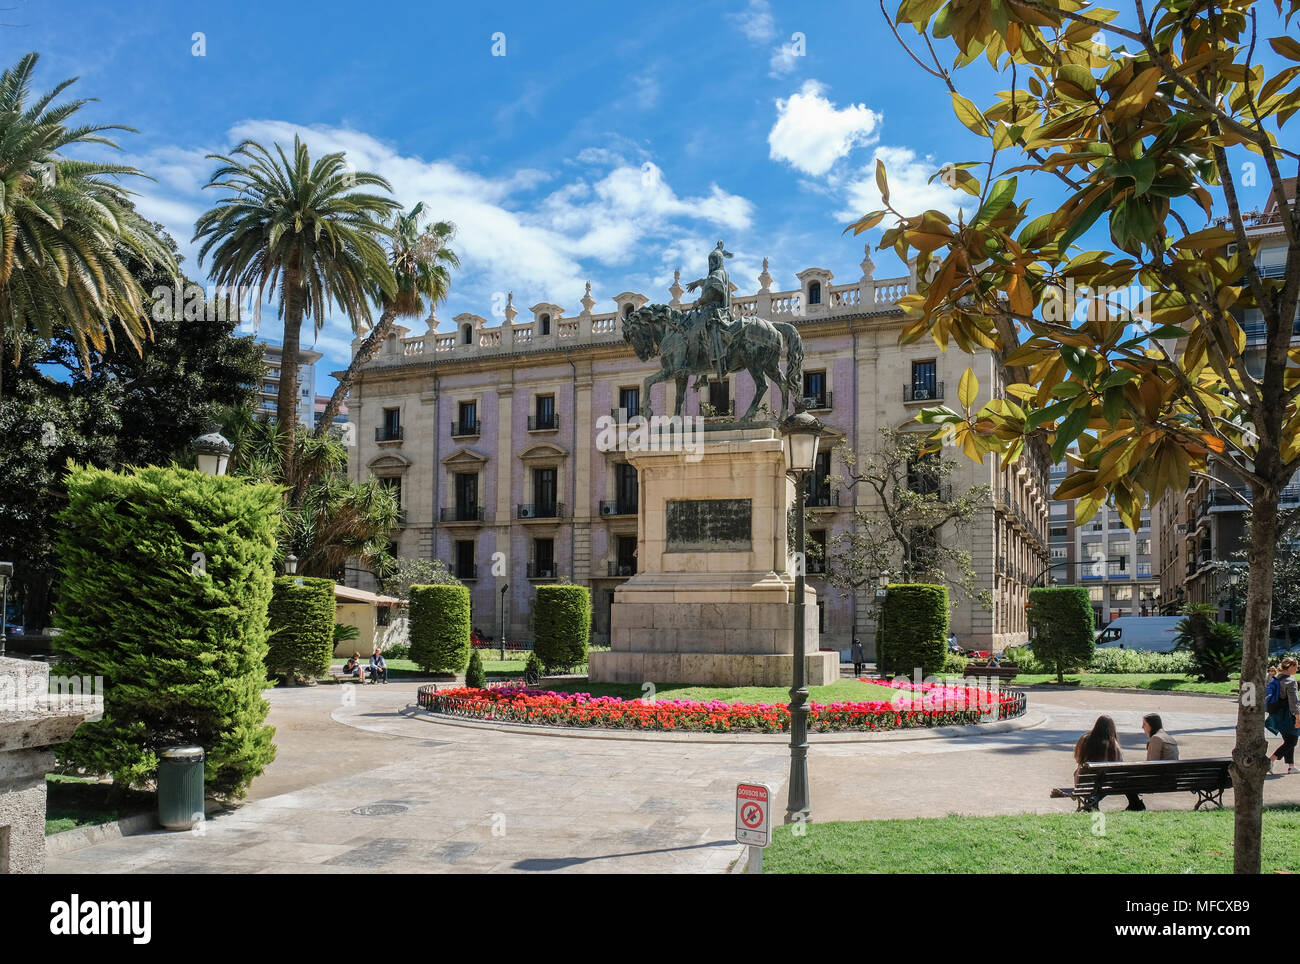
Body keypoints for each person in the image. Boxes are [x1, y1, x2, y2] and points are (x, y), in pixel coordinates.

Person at [1124, 713, 1179, 811]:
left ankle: (1136, 805)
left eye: (1144, 724)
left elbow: (1151, 765)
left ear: (1152, 725)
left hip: (1160, 780)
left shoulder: (1156, 738)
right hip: (1170, 778)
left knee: (1125, 778)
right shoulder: (1169, 738)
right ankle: (1135, 804)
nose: (1142, 727)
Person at [1267, 657, 1299, 773]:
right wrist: (1298, 717)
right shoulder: (1291, 681)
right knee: (1292, 741)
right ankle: (1270, 761)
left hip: (1275, 714)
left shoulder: (1275, 679)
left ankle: (1291, 766)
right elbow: (1294, 702)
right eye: (1296, 666)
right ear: (1290, 667)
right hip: (1287, 715)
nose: (1297, 669)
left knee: (1288, 740)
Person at [1074, 715, 1123, 782]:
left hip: (1087, 782)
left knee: (1078, 771)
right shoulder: (1115, 745)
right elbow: (1120, 763)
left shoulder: (1086, 740)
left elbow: (1078, 759)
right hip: (1109, 784)